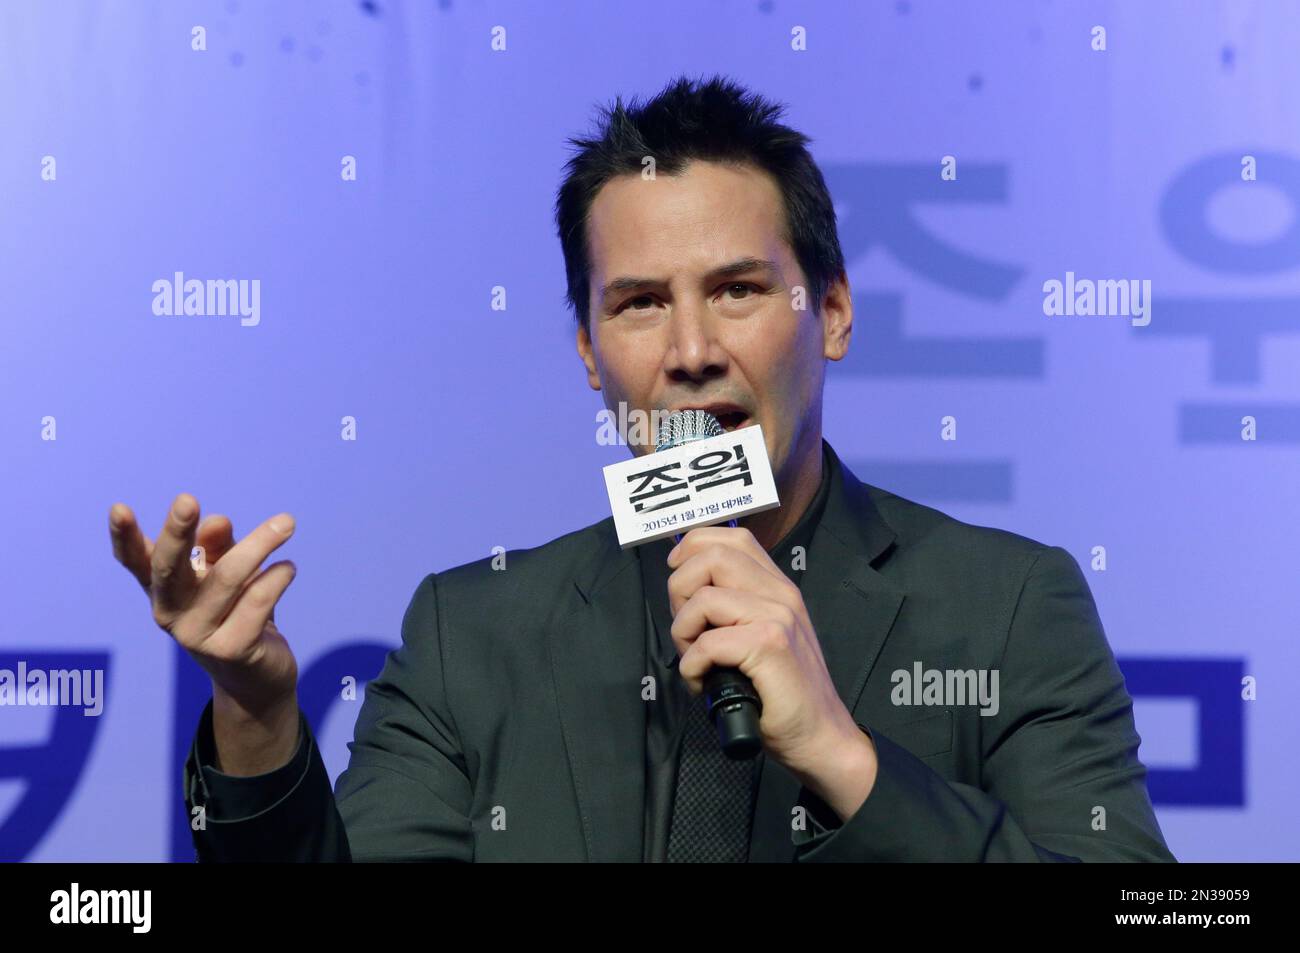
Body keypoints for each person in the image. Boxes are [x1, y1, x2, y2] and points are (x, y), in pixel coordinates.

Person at [108, 74, 1175, 863]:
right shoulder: (468, 632)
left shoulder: (1004, 604)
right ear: (586, 352)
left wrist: (844, 755)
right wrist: (254, 709)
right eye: (638, 302)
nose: (691, 348)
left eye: (739, 289)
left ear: (833, 313)